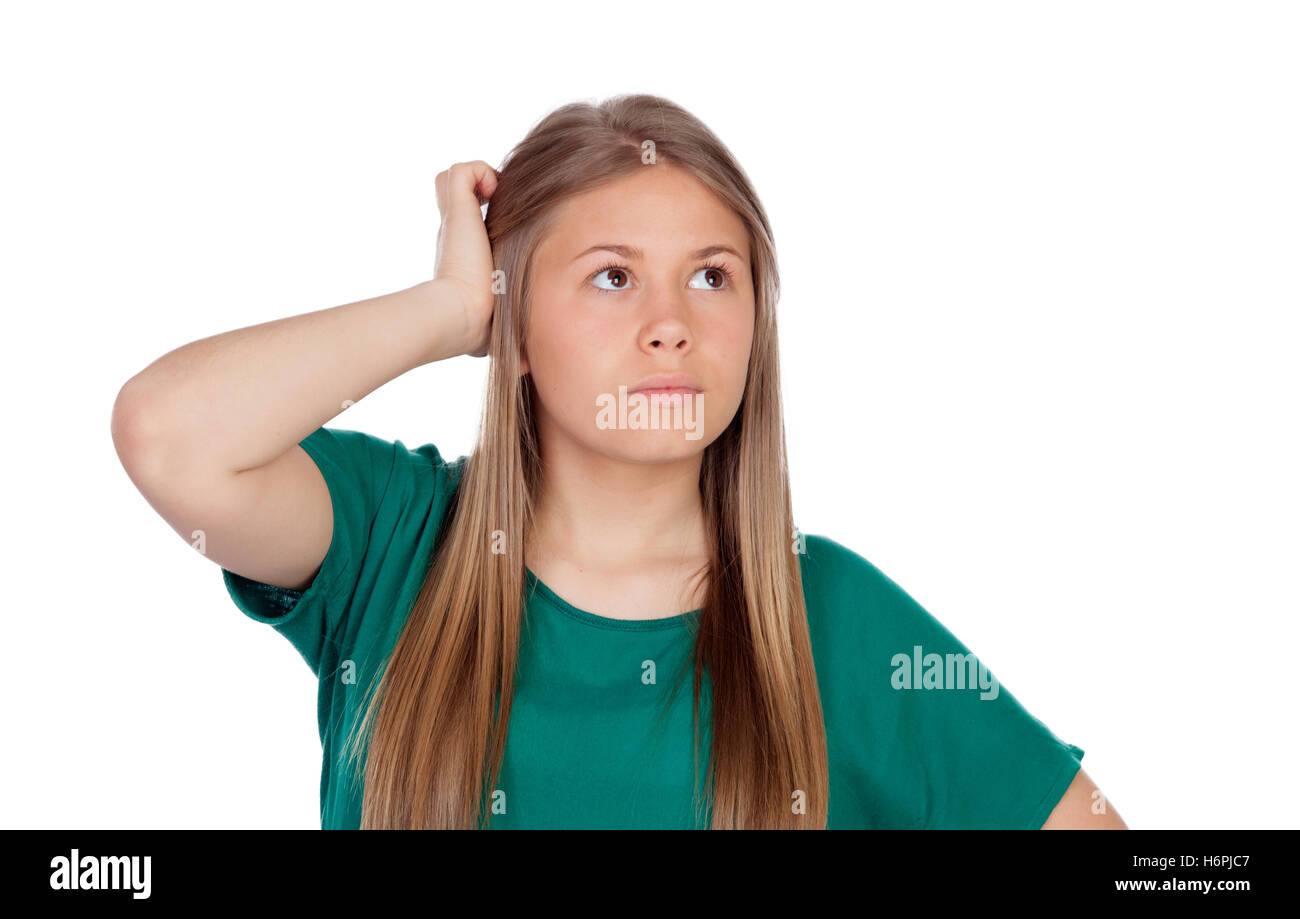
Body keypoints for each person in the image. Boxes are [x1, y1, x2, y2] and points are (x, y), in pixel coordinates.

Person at [111, 93, 1125, 830]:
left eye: (711, 277)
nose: (671, 324)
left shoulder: (834, 618)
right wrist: (454, 312)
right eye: (611, 276)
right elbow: (169, 435)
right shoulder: (389, 539)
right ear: (514, 320)